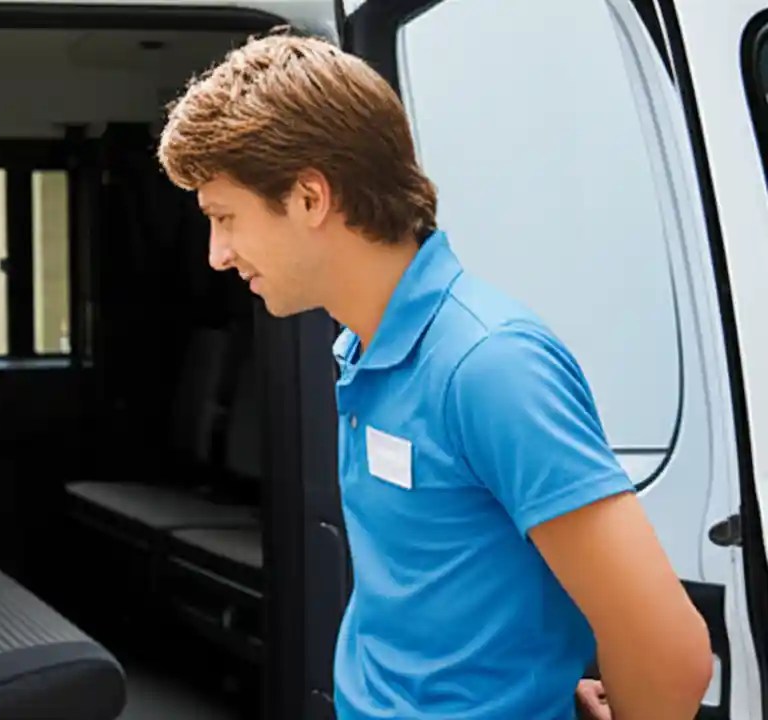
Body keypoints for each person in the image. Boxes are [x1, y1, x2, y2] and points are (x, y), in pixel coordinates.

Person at [156, 31, 713, 720]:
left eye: (224, 217)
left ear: (309, 198)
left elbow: (672, 655)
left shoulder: (491, 365)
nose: (217, 253)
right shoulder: (360, 348)